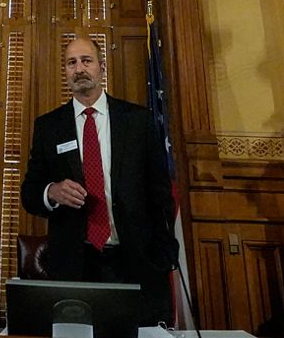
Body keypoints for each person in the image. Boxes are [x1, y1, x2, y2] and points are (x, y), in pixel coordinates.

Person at [20, 37, 178, 326]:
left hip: (133, 259)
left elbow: (159, 193)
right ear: (66, 72)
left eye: (86, 60)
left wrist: (162, 253)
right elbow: (30, 192)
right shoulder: (49, 127)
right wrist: (51, 191)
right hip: (75, 263)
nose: (79, 68)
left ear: (102, 67)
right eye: (71, 63)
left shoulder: (137, 121)